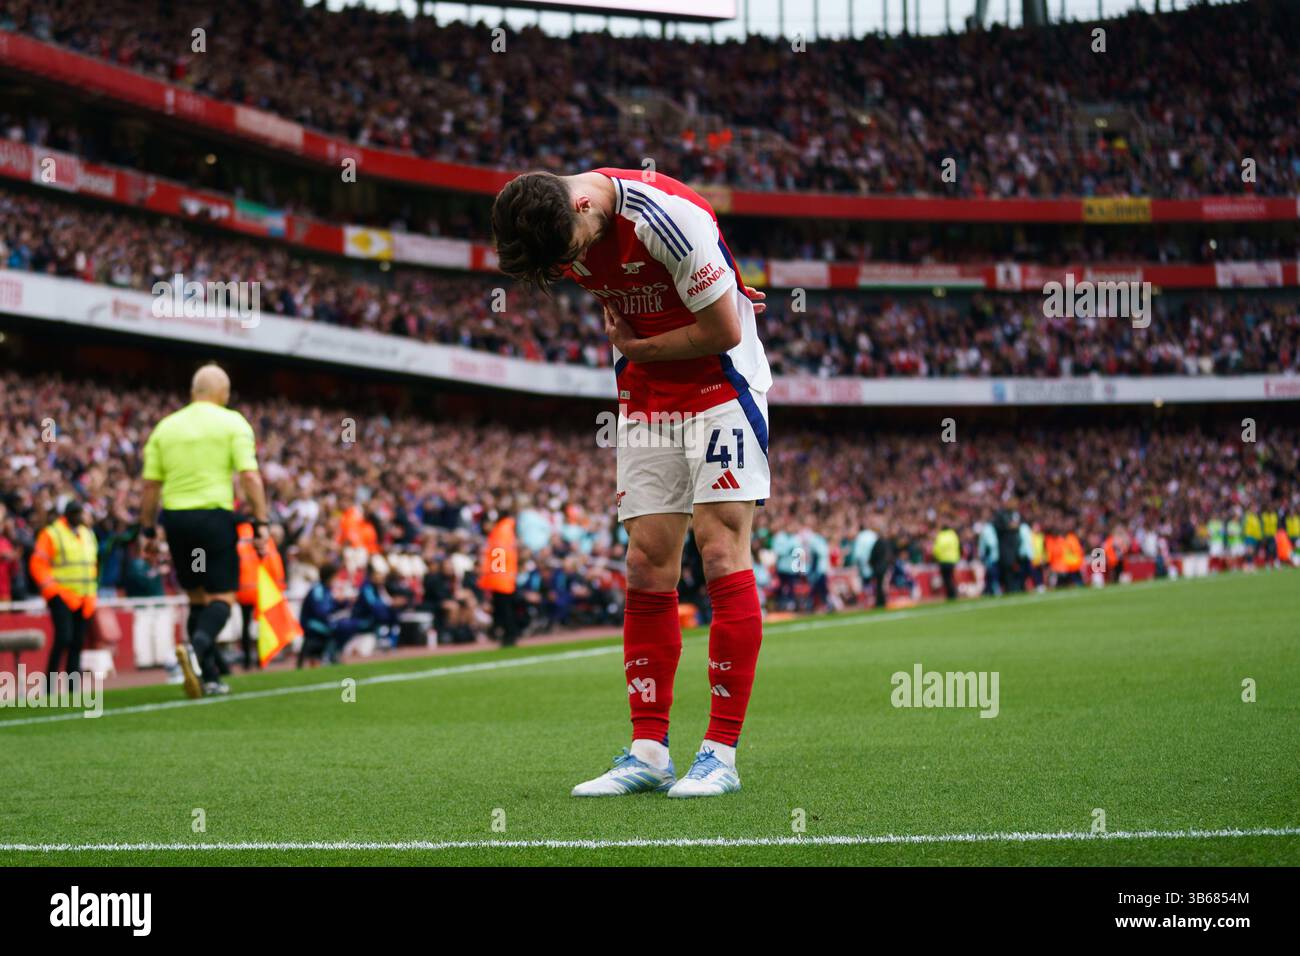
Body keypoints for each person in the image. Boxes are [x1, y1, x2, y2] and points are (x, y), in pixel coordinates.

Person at [492, 167, 769, 798]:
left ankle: (720, 752)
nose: (578, 262)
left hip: (721, 388)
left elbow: (724, 330)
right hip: (645, 398)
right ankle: (649, 751)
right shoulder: (557, 230)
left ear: (584, 205)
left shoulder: (669, 219)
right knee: (645, 564)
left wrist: (643, 348)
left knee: (720, 548)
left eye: (577, 247)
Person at [139, 364, 270, 698]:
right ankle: (195, 649)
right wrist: (261, 523)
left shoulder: (165, 427)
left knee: (198, 598)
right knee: (223, 598)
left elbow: (151, 485)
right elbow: (250, 476)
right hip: (212, 520)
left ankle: (208, 675)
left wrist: (148, 531)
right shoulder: (232, 422)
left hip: (177, 523)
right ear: (222, 392)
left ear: (193, 391)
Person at [29, 499, 98, 676]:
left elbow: (92, 564)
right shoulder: (52, 533)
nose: (77, 516)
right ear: (65, 515)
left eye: (79, 512)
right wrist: (51, 590)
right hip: (62, 595)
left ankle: (72, 686)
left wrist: (92, 592)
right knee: (63, 638)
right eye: (74, 513)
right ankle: (50, 683)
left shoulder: (87, 534)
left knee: (77, 642)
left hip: (84, 597)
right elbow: (38, 564)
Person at [235, 518, 286, 669]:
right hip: (262, 589)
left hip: (243, 589)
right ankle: (260, 658)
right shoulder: (263, 537)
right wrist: (279, 587)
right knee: (262, 625)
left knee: (246, 625)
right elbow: (274, 563)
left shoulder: (238, 536)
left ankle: (247, 661)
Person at [932, 521, 960, 601]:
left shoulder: (940, 536)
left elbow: (936, 549)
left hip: (943, 560)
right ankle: (954, 593)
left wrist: (937, 558)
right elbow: (957, 546)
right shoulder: (953, 535)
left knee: (946, 579)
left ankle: (951, 594)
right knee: (952, 577)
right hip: (953, 559)